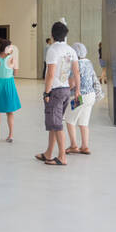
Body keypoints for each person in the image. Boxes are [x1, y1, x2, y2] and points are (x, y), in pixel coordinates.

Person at [36, 22, 80, 167]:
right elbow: (76, 72)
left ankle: (62, 157)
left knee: (56, 125)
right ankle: (49, 153)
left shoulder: (53, 50)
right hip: (66, 90)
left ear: (52, 34)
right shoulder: (71, 50)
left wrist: (46, 92)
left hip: (55, 90)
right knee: (55, 123)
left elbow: (50, 73)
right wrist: (77, 89)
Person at [65, 43, 102, 155]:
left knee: (69, 120)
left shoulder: (75, 64)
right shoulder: (88, 62)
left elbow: (72, 83)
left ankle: (73, 146)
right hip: (91, 95)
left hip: (79, 96)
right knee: (83, 122)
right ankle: (85, 147)